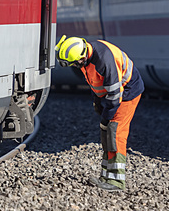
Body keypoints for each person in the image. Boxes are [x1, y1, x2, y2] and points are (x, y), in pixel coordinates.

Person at [56, 35, 144, 192]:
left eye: (74, 64)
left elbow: (115, 95)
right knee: (106, 133)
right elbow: (94, 82)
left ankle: (116, 182)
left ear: (81, 58)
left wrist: (106, 117)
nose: (75, 67)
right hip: (116, 93)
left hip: (128, 91)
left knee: (115, 133)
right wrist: (97, 102)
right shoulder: (85, 56)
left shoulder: (104, 60)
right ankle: (106, 176)